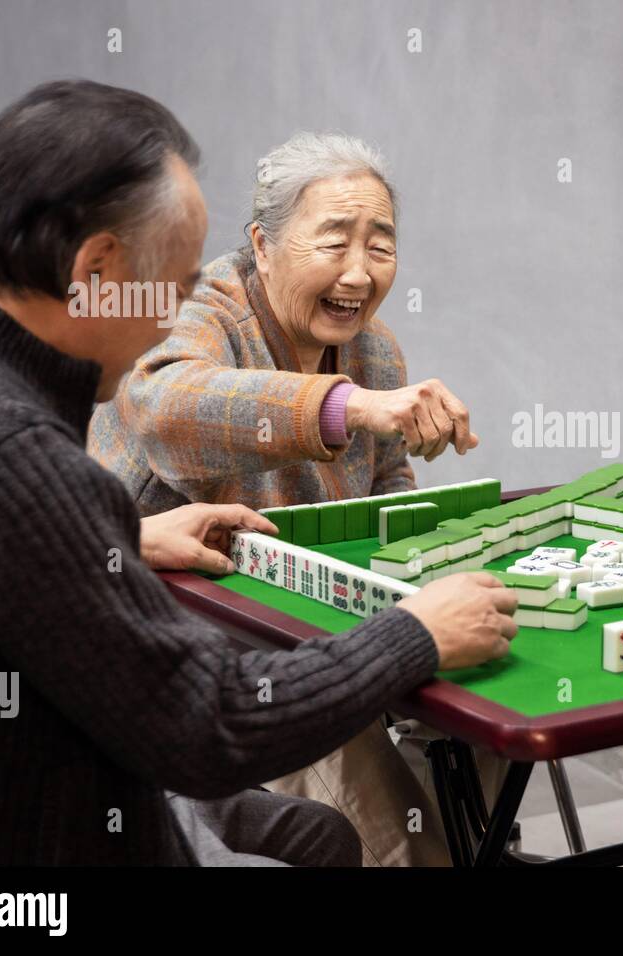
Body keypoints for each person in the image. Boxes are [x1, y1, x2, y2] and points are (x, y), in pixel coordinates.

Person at [0, 79, 516, 866]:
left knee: (328, 833)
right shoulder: (17, 455)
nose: (172, 314)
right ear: (98, 269)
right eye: (176, 281)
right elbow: (202, 728)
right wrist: (415, 633)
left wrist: (124, 532)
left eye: (381, 243)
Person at [88, 131, 492, 866]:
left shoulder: (376, 350)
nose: (359, 274)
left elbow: (385, 505)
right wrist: (351, 409)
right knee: (349, 742)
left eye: (380, 246)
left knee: (488, 704)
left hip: (325, 625)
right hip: (201, 653)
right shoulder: (198, 310)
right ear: (263, 246)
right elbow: (166, 408)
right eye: (334, 243)